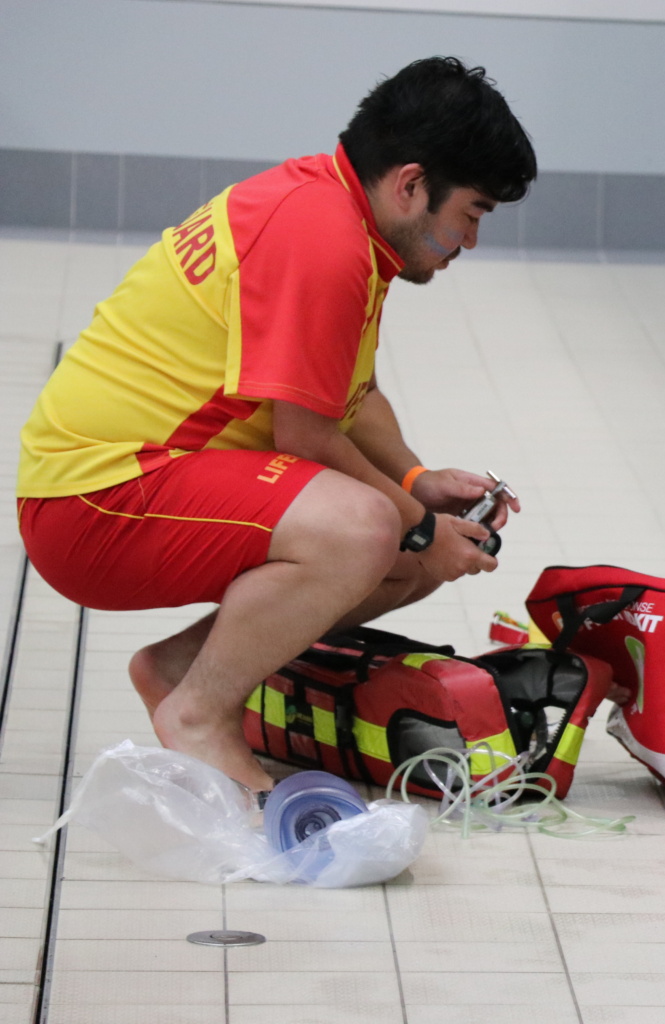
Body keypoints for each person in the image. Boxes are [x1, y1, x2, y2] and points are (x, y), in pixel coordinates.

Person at [14, 57, 537, 794]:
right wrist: (418, 520)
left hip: (137, 476)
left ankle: (176, 674)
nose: (471, 241)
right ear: (412, 183)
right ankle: (199, 714)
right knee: (366, 529)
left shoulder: (335, 209)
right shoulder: (321, 240)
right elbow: (305, 437)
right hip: (93, 499)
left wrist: (417, 481)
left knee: (404, 550)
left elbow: (348, 397)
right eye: (473, 213)